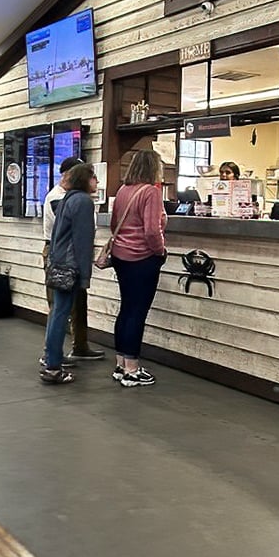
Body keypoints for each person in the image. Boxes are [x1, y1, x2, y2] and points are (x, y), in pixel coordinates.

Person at [110, 149, 167, 387]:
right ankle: (133, 370)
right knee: (137, 312)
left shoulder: (123, 190)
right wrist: (160, 251)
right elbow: (152, 231)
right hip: (142, 258)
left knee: (126, 309)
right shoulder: (151, 192)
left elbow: (114, 224)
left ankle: (121, 364)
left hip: (120, 257)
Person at [42, 156, 104, 363]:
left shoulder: (69, 197)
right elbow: (80, 239)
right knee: (59, 309)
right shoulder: (65, 199)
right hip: (67, 259)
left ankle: (74, 348)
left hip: (62, 257)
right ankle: (51, 358)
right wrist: (84, 273)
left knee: (71, 307)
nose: (97, 181)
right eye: (92, 176)